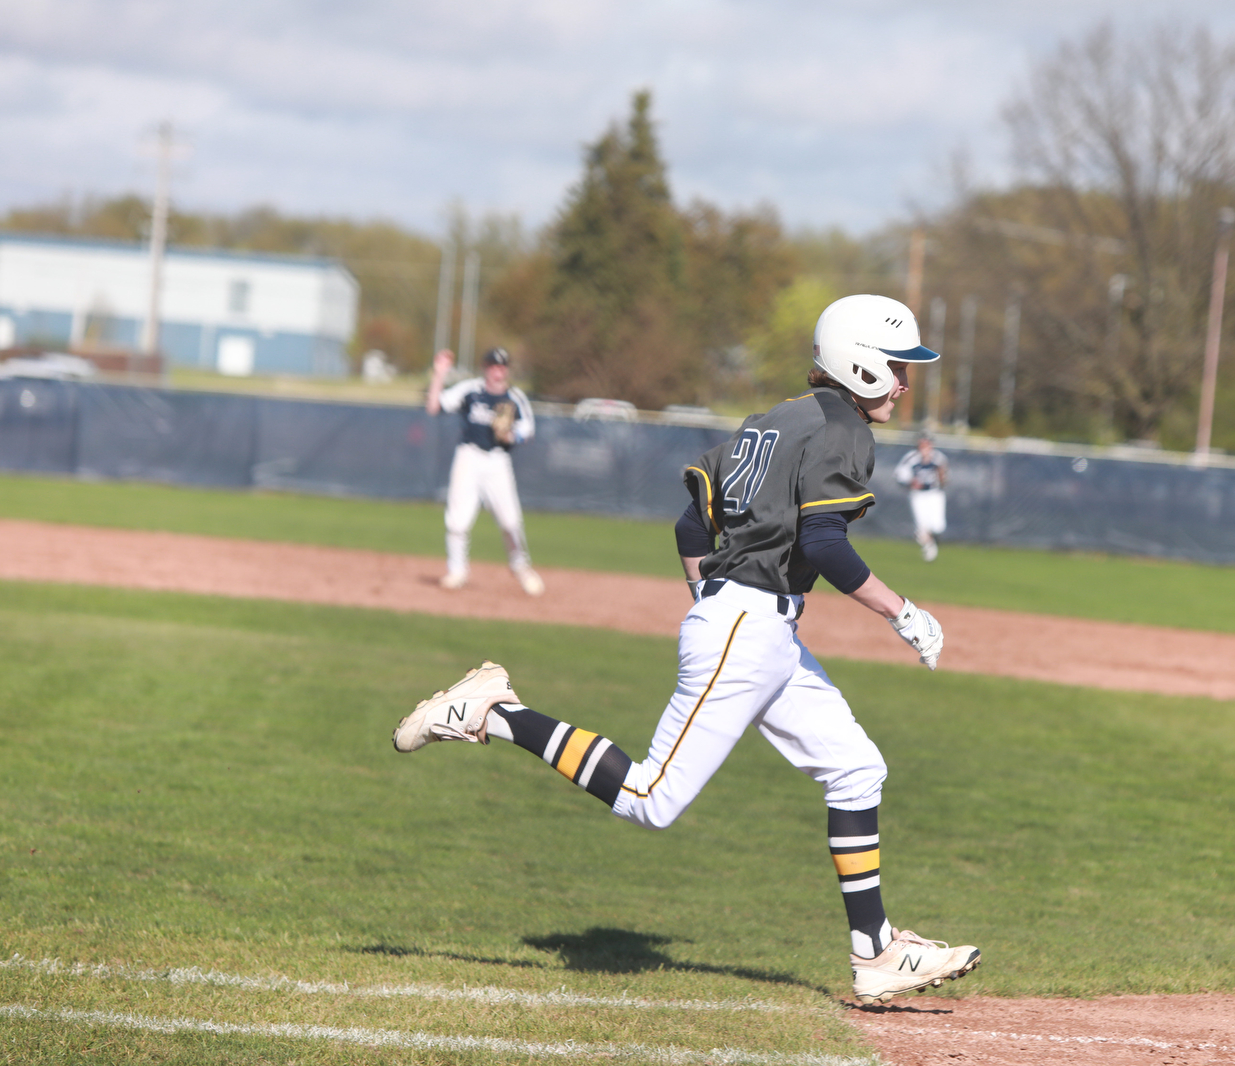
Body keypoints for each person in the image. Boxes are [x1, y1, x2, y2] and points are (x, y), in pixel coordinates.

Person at [392, 295, 979, 1005]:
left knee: (857, 770)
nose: (903, 382)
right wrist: (902, 611)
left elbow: (690, 521)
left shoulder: (773, 419)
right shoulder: (843, 429)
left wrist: (709, 598)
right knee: (650, 798)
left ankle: (876, 952)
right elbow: (825, 544)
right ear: (857, 363)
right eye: (894, 367)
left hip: (756, 627)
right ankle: (494, 714)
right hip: (749, 627)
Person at [427, 346, 544, 596]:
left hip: (497, 460)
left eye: (501, 366)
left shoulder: (514, 397)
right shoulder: (472, 390)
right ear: (485, 368)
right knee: (457, 521)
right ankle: (457, 570)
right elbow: (434, 407)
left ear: (507, 370)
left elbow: (528, 429)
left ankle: (520, 566)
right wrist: (439, 374)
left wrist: (513, 435)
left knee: (510, 521)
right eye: (492, 366)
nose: (497, 371)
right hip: (468, 456)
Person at [894, 434, 949, 562]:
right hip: (918, 494)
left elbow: (945, 477)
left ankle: (931, 544)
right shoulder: (911, 457)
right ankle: (929, 548)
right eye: (922, 444)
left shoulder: (939, 458)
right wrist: (910, 481)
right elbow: (899, 474)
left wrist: (942, 478)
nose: (924, 447)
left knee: (938, 526)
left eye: (927, 444)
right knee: (921, 526)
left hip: (935, 493)